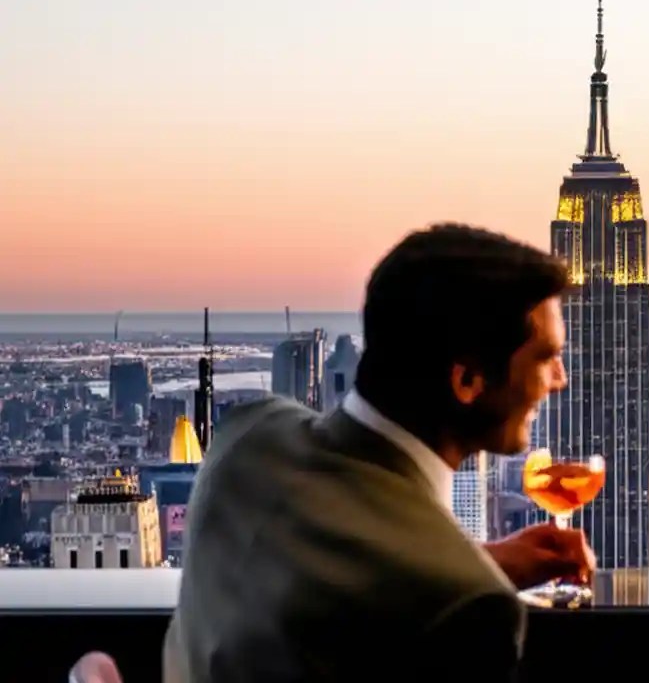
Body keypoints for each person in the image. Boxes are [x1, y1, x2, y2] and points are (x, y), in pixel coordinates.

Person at [164, 224, 594, 682]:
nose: (559, 378)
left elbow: (306, 584)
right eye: (546, 357)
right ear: (466, 380)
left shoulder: (247, 433)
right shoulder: (473, 606)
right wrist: (464, 576)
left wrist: (474, 560)